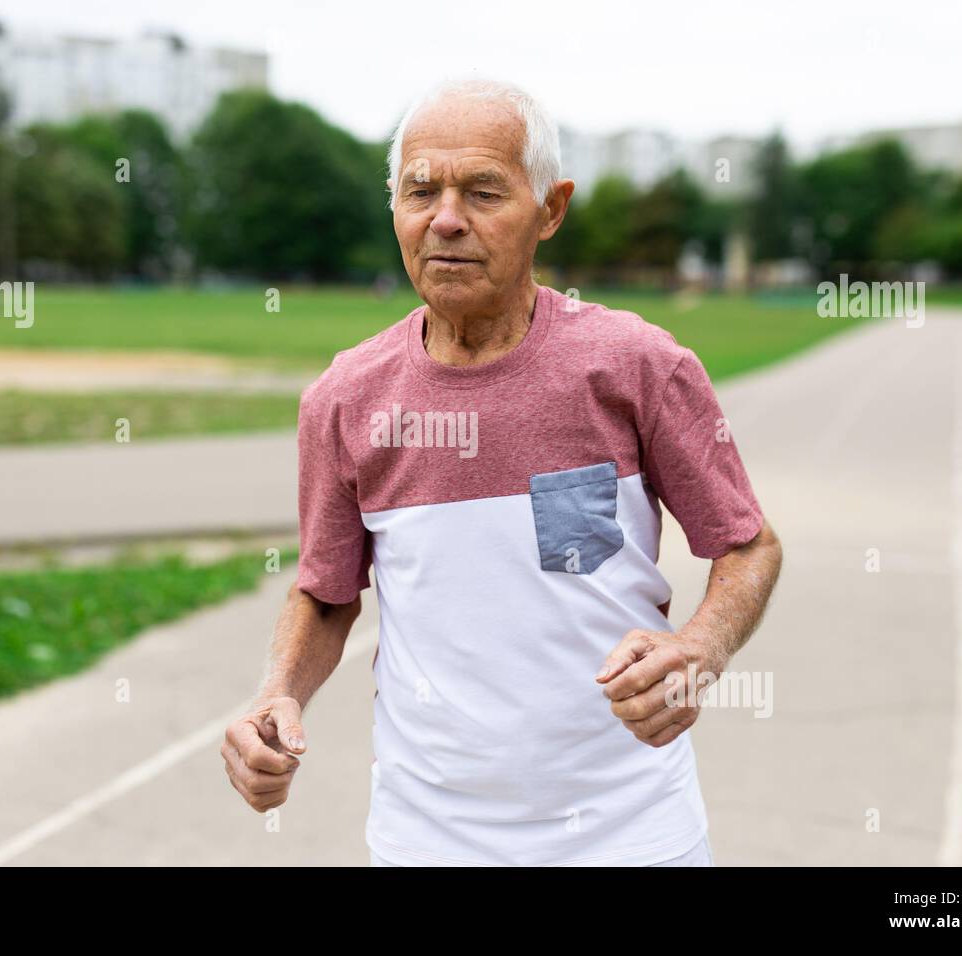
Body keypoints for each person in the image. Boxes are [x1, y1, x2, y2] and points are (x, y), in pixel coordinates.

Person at [222, 78, 783, 867]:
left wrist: (701, 647)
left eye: (483, 192)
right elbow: (325, 591)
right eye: (421, 191)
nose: (446, 219)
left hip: (633, 833)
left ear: (550, 209)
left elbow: (747, 544)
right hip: (427, 839)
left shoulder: (639, 365)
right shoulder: (344, 399)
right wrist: (278, 692)